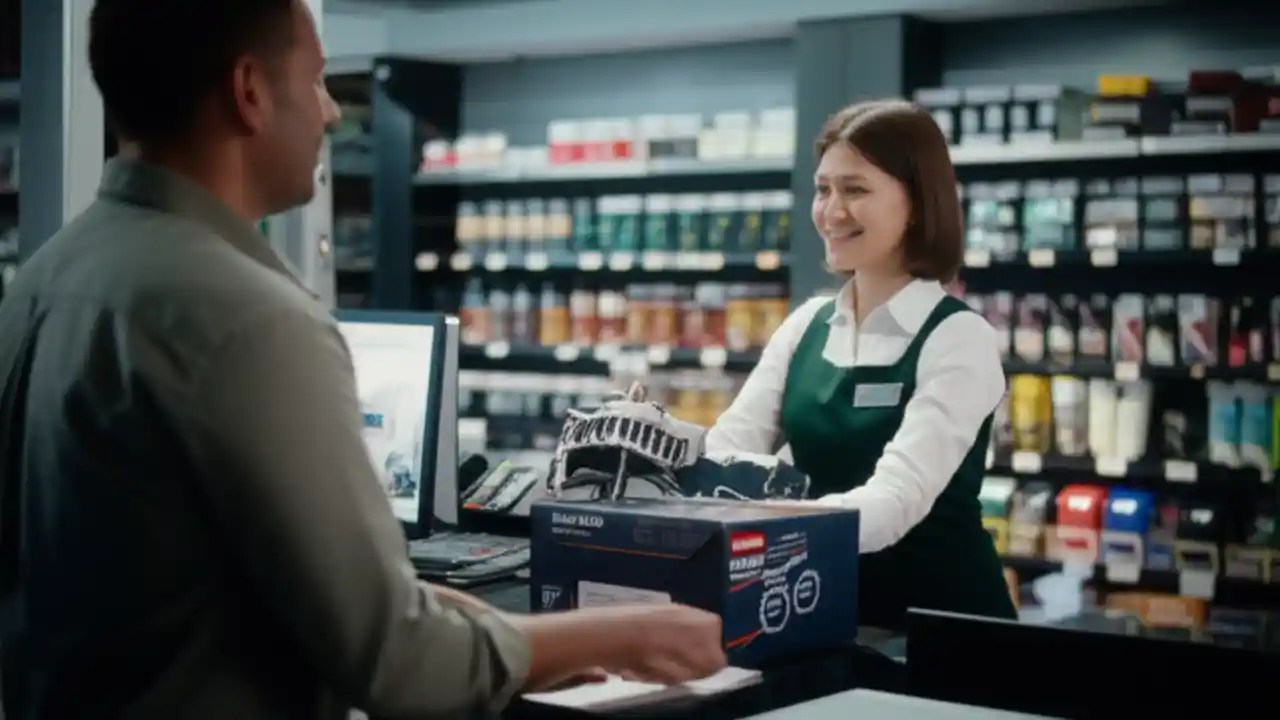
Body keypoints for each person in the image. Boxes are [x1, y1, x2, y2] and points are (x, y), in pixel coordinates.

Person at [0, 1, 725, 717]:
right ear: (249, 92)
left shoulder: (45, 278)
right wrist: (621, 634)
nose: (331, 114)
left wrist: (449, 616)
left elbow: (185, 580)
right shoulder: (251, 319)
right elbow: (393, 664)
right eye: (316, 81)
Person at [705, 99, 1016, 632]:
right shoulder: (808, 324)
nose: (831, 211)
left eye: (855, 190)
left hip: (942, 629)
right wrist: (654, 441)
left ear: (916, 203)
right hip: (823, 610)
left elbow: (893, 501)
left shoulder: (959, 337)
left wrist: (770, 522)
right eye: (824, 189)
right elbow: (727, 451)